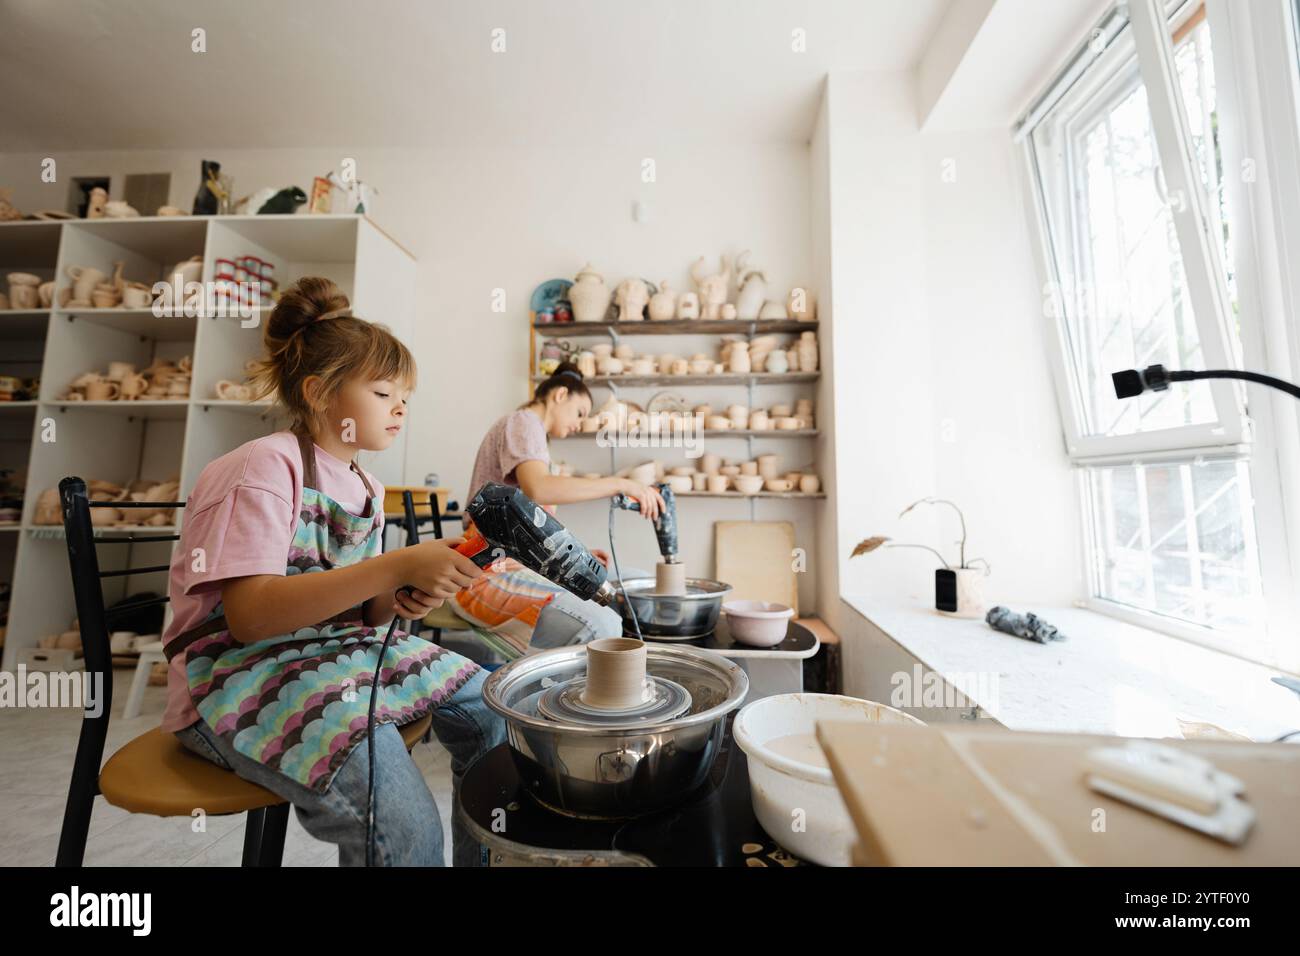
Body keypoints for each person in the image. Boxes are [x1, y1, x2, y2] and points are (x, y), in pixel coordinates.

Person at [160, 276, 502, 866]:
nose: (400, 407)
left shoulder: (365, 484)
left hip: (328, 654)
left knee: (491, 708)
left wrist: (399, 593)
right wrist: (392, 565)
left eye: (405, 396)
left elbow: (362, 609)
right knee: (405, 827)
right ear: (320, 393)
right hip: (232, 675)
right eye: (382, 391)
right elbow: (251, 616)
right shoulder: (266, 466)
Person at [455, 361, 662, 656]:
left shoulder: (534, 437)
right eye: (580, 413)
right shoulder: (523, 421)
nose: (579, 424)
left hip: (526, 559)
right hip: (492, 566)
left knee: (637, 586)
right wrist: (621, 484)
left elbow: (535, 528)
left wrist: (577, 553)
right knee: (602, 624)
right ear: (560, 395)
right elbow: (539, 488)